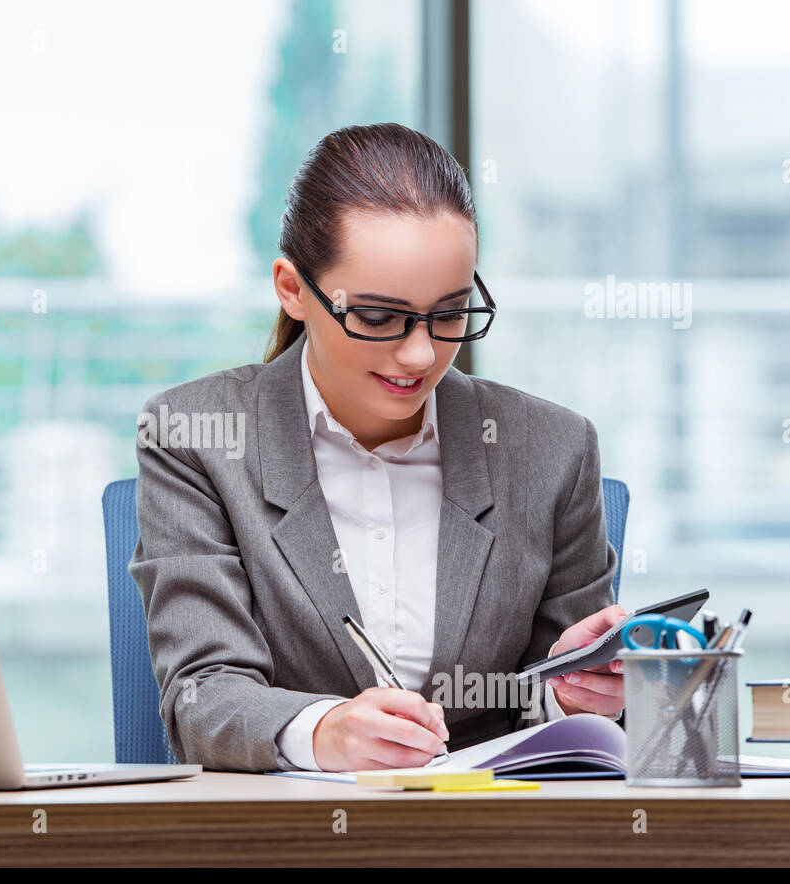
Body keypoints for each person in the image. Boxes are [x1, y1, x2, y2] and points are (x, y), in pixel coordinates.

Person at [129, 122, 627, 773]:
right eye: (377, 317)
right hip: (285, 838)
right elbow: (203, 695)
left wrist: (574, 694)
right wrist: (322, 730)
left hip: (491, 835)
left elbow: (551, 715)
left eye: (449, 313)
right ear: (292, 288)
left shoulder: (552, 450)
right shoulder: (196, 435)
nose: (421, 354)